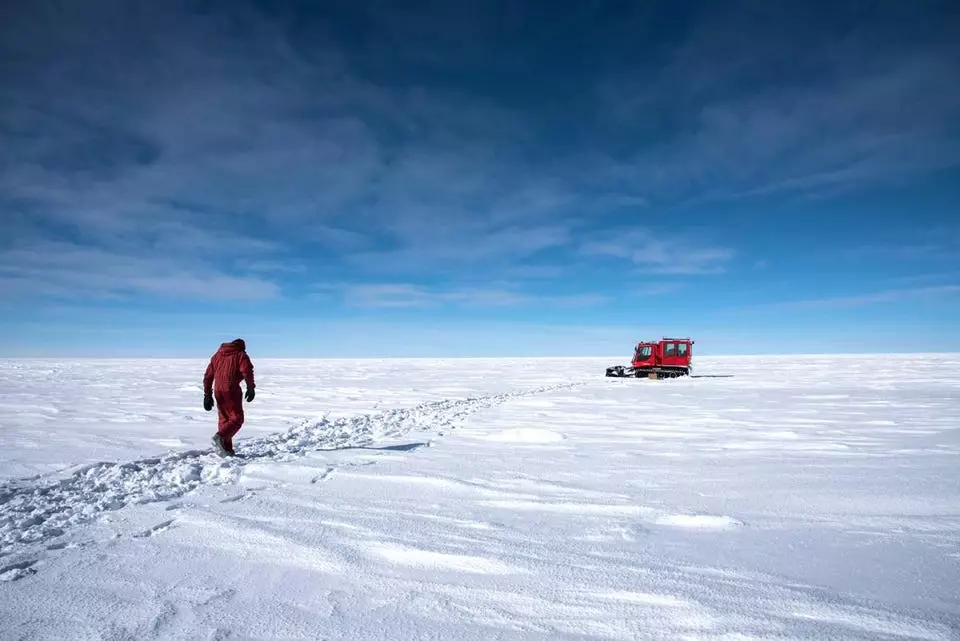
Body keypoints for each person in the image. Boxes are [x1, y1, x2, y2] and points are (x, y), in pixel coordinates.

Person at [203, 338, 255, 456]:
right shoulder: (240, 355)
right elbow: (247, 371)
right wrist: (251, 387)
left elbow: (208, 375)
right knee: (237, 419)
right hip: (231, 391)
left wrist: (207, 394)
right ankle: (220, 437)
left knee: (225, 419)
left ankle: (226, 449)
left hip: (218, 391)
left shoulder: (217, 355)